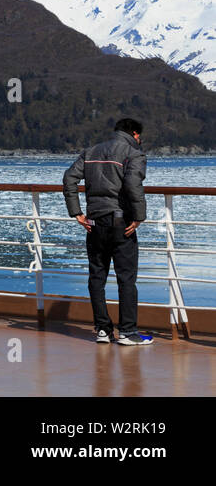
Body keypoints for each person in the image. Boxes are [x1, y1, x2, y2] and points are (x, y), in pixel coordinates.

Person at [63, 117, 152, 345]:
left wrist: (76, 213)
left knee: (97, 276)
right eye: (139, 136)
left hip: (93, 223)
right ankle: (128, 332)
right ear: (134, 134)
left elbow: (69, 178)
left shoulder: (91, 151)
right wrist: (140, 216)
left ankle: (103, 330)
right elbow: (133, 184)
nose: (139, 140)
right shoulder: (133, 154)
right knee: (126, 278)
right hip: (121, 223)